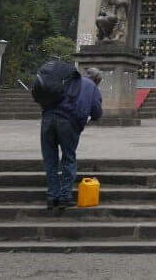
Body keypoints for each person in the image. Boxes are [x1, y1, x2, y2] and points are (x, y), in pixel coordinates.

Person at [40, 67, 103, 210]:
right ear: (97, 80)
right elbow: (97, 112)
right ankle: (65, 196)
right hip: (68, 122)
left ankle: (52, 197)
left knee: (50, 160)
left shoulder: (68, 79)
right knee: (68, 158)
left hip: (48, 118)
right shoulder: (92, 86)